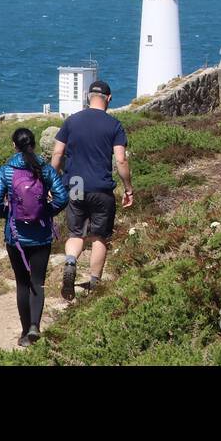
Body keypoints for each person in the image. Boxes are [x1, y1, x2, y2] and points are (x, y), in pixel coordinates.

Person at [51, 79, 133, 300]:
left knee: (76, 233)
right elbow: (121, 160)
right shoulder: (114, 125)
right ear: (109, 98)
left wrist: (51, 181)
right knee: (98, 236)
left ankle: (70, 261)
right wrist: (128, 189)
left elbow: (58, 154)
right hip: (100, 187)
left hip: (75, 184)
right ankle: (95, 283)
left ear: (88, 97)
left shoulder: (72, 121)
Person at [0, 127, 69, 346]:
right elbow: (62, 197)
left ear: (14, 145)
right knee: (38, 283)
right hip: (41, 236)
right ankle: (35, 326)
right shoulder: (45, 169)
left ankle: (25, 334)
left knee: (22, 284)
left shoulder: (6, 171)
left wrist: (8, 215)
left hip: (16, 238)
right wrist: (46, 213)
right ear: (33, 144)